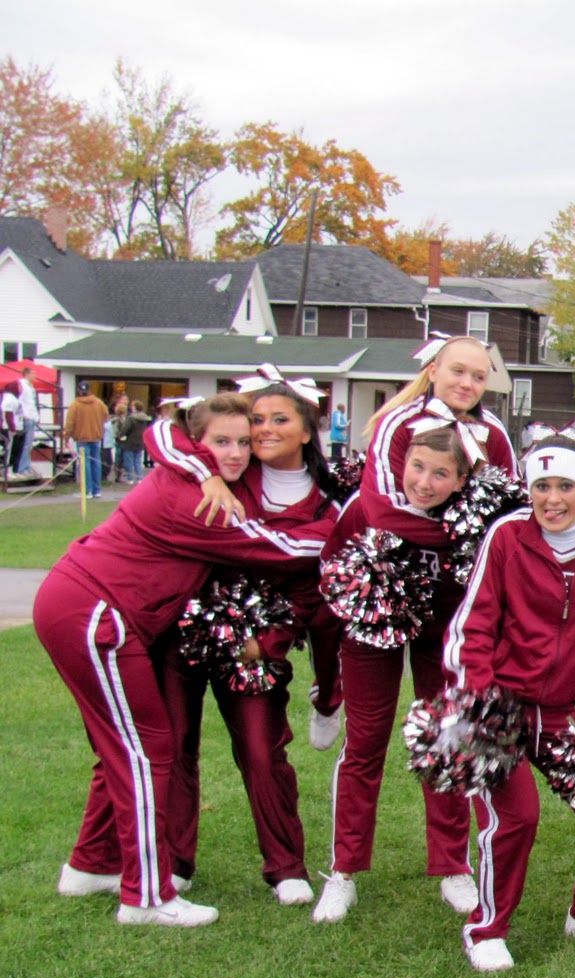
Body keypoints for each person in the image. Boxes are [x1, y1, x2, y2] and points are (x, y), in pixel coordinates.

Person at [39, 394, 326, 926]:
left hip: (90, 609)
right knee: (148, 751)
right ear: (197, 444)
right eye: (223, 442)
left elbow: (165, 435)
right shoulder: (198, 498)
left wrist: (204, 465)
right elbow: (281, 548)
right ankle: (147, 897)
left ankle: (90, 865)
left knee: (125, 745)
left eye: (244, 441)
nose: (238, 452)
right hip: (93, 611)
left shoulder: (199, 476)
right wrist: (355, 532)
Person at [313, 335, 519, 924]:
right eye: (458, 371)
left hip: (449, 613)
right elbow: (381, 509)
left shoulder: (496, 436)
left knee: (450, 736)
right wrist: (460, 536)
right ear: (434, 370)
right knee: (367, 742)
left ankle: (451, 866)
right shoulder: (398, 421)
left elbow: (504, 520)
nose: (467, 384)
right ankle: (345, 870)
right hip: (379, 602)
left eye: (479, 377)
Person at [443, 434, 575, 968]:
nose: (552, 499)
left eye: (566, 486)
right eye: (541, 486)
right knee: (517, 816)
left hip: (560, 710)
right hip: (498, 706)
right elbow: (474, 625)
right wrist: (478, 701)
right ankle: (486, 930)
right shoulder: (506, 536)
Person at [145, 378, 343, 903]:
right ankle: (174, 861)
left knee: (260, 750)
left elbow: (313, 587)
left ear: (308, 428)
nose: (263, 430)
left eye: (280, 419)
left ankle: (286, 866)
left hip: (254, 642)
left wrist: (268, 640)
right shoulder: (226, 468)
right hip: (183, 627)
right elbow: (163, 434)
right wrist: (201, 473)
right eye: (257, 420)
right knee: (175, 744)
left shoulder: (328, 503)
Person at [62, 381, 111, 500]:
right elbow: (106, 417)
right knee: (96, 462)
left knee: (85, 464)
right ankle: (96, 489)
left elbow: (70, 423)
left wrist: (66, 437)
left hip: (81, 437)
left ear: (79, 390)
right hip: (96, 436)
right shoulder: (99, 403)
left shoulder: (75, 405)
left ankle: (87, 490)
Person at [8, 365, 40, 476]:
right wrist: (26, 415)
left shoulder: (30, 386)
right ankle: (22, 467)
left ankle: (26, 465)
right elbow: (21, 402)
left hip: (31, 417)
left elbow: (32, 403)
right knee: (25, 444)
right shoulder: (23, 386)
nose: (35, 376)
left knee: (29, 443)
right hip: (27, 418)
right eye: (33, 373)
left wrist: (36, 417)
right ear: (27, 374)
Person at [116, 399, 151, 485]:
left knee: (129, 462)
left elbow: (125, 430)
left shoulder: (131, 418)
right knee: (138, 461)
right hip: (140, 441)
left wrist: (119, 436)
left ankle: (130, 478)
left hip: (130, 442)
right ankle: (139, 478)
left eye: (132, 406)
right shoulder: (145, 418)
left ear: (135, 408)